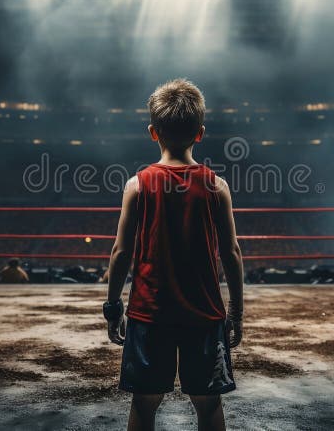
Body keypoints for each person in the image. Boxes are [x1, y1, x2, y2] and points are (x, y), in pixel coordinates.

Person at [103, 79, 245, 431]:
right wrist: (237, 314)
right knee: (209, 406)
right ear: (200, 133)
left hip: (150, 312)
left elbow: (121, 252)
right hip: (204, 312)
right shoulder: (216, 185)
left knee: (144, 404)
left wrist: (112, 307)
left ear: (153, 132)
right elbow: (231, 253)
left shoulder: (137, 185)